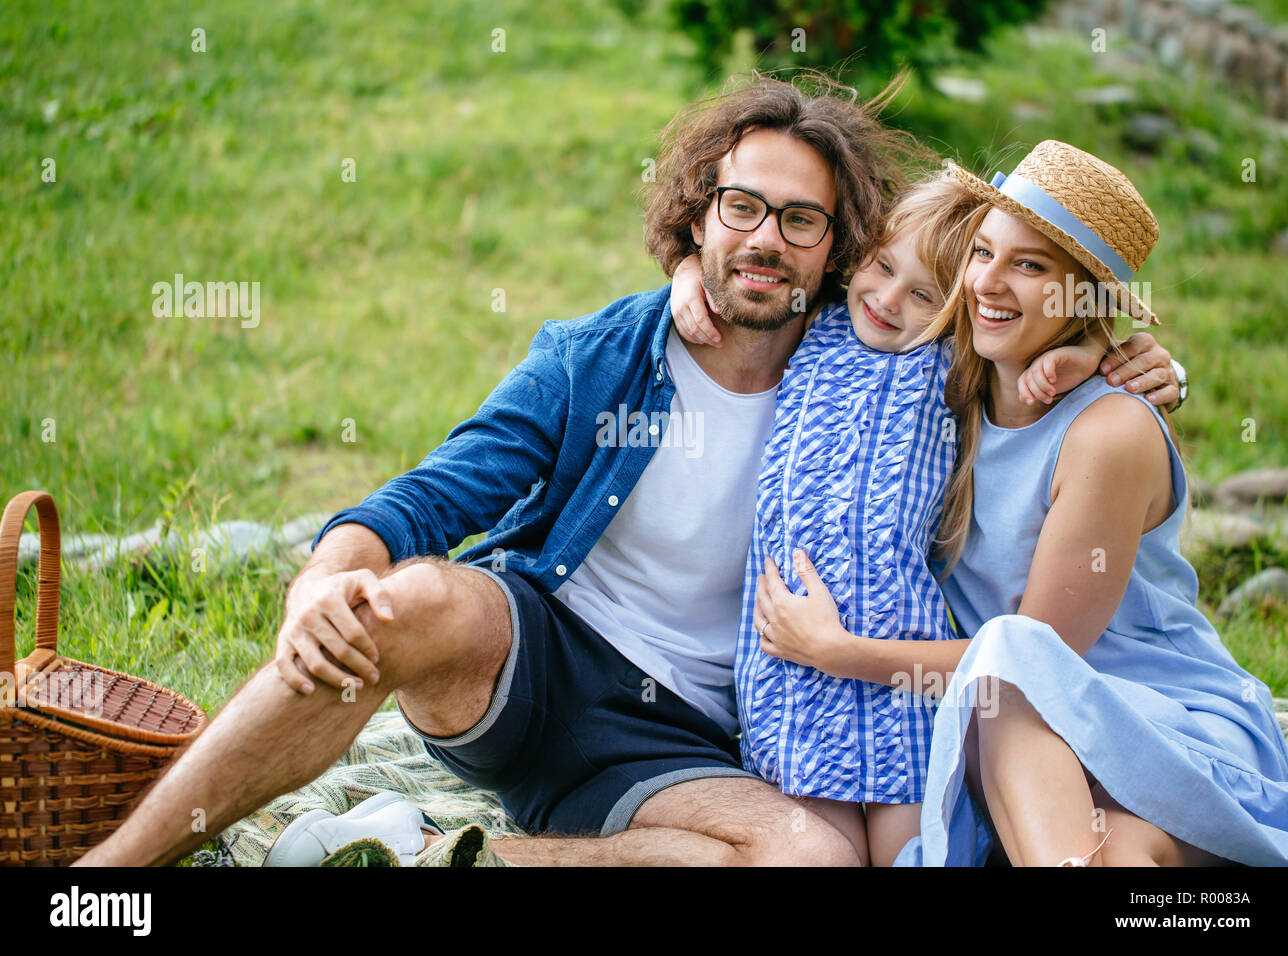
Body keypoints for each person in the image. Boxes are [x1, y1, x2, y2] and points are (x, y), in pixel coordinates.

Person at [76, 81, 1177, 867]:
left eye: (802, 221)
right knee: (396, 597)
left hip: (684, 734)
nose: (765, 239)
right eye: (742, 205)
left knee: (807, 858)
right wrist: (326, 572)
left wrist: (1114, 361)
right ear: (695, 212)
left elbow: (1010, 340)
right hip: (539, 654)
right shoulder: (602, 354)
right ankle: (113, 876)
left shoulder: (864, 365)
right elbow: (437, 492)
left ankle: (435, 854)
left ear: (837, 247)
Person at [666, 170, 1142, 866]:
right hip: (789, 668)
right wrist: (686, 273)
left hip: (904, 685)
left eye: (923, 295)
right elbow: (748, 280)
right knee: (819, 849)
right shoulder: (816, 324)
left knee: (917, 854)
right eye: (882, 266)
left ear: (955, 312)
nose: (888, 300)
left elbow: (1031, 350)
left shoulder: (954, 364)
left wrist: (1095, 352)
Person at [890, 140, 1288, 865]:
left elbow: (1037, 662)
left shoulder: (1109, 431)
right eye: (983, 252)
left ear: (1087, 296)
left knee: (1011, 657)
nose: (988, 281)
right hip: (1031, 744)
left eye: (1030, 265)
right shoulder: (945, 392)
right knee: (1117, 853)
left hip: (1162, 721)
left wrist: (833, 651)